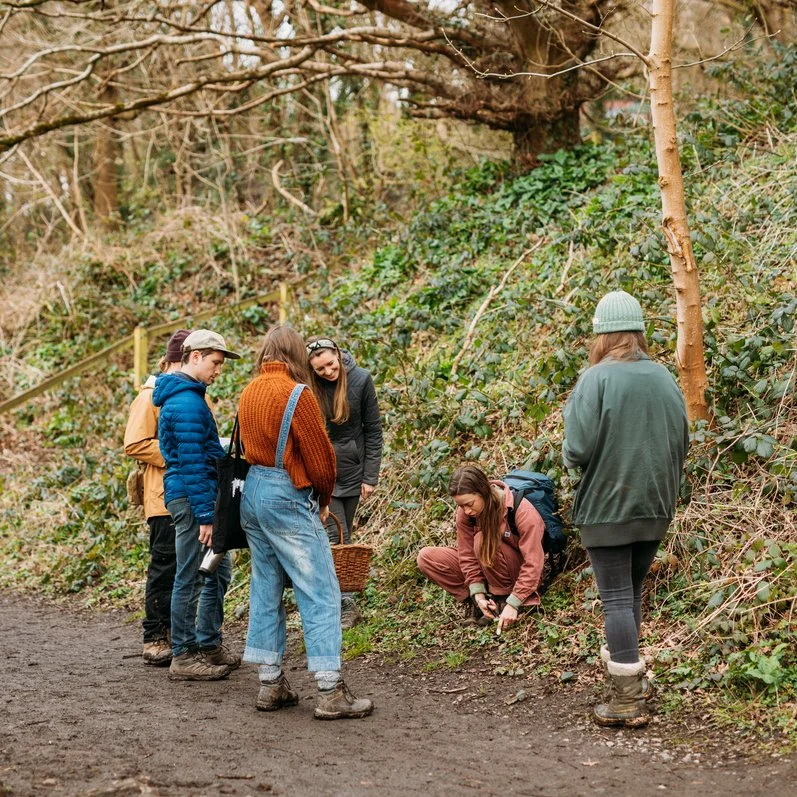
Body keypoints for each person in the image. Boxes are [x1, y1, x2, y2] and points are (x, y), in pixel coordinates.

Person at [562, 290, 688, 728]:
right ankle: (631, 678)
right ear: (637, 332)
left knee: (615, 597)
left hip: (606, 508)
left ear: (601, 334)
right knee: (630, 593)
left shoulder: (595, 379)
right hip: (655, 504)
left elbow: (576, 450)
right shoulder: (664, 377)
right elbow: (682, 441)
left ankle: (627, 700)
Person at [237, 325, 374, 720]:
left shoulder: (248, 392)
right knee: (320, 589)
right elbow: (321, 459)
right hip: (286, 495)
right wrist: (324, 500)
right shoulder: (297, 394)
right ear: (297, 355)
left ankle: (270, 682)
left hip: (254, 493)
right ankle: (330, 690)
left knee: (266, 586)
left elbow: (247, 448)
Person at [152, 328, 243, 681]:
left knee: (219, 571)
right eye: (215, 363)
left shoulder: (191, 398)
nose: (218, 370)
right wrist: (206, 515)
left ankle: (208, 643)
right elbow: (191, 463)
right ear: (195, 357)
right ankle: (183, 655)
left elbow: (204, 453)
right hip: (192, 500)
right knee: (189, 574)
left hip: (199, 497)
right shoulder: (187, 403)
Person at [306, 336, 383, 629]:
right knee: (335, 536)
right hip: (323, 470)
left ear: (338, 355)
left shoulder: (361, 380)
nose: (327, 372)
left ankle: (337, 599)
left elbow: (373, 430)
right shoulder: (310, 388)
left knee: (343, 532)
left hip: (353, 468)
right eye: (320, 369)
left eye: (330, 364)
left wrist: (370, 475)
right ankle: (343, 605)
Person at [124, 329, 190, 666]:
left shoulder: (194, 391)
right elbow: (134, 443)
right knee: (164, 565)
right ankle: (154, 636)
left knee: (187, 567)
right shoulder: (150, 395)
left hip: (190, 492)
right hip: (161, 495)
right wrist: (179, 454)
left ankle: (182, 635)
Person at [417, 465, 545, 634]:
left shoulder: (522, 511)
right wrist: (478, 594)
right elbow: (467, 555)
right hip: (487, 566)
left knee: (483, 540)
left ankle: (503, 600)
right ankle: (482, 604)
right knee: (426, 557)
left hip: (518, 572)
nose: (466, 511)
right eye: (461, 506)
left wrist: (514, 602)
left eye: (469, 504)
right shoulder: (465, 512)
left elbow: (534, 563)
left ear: (483, 491)